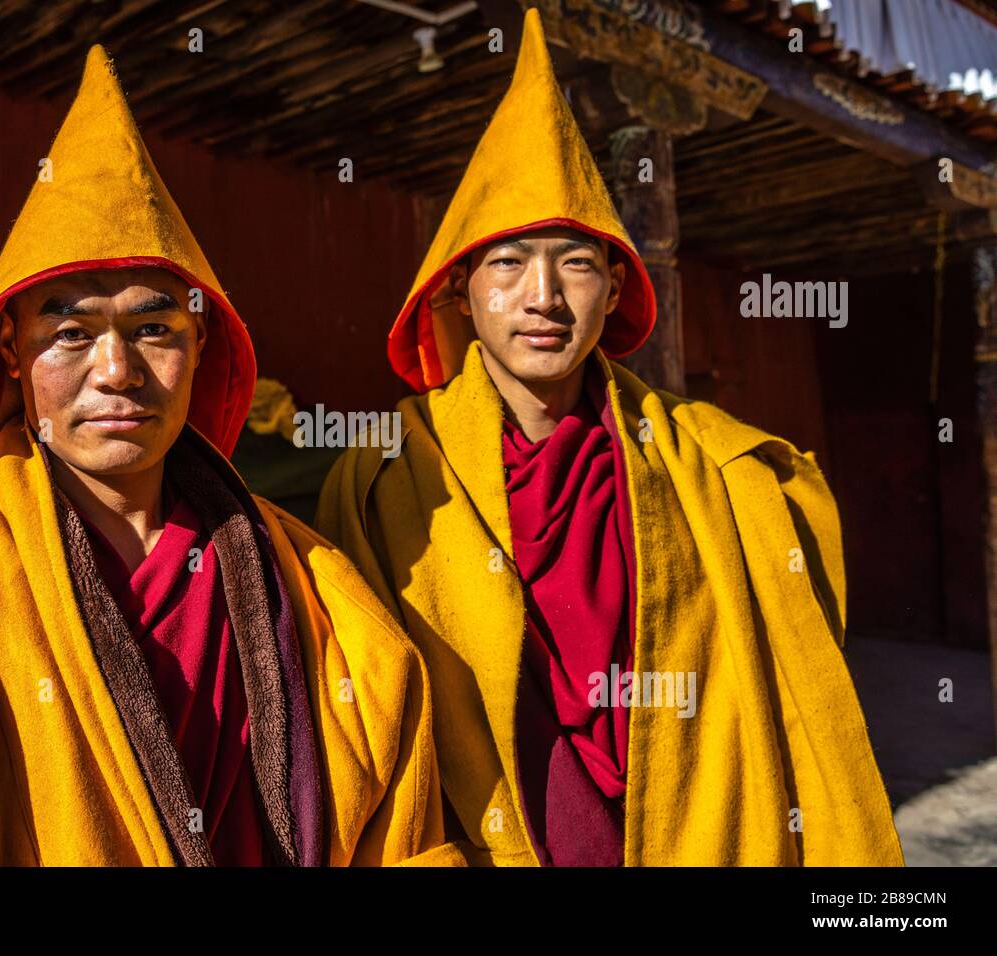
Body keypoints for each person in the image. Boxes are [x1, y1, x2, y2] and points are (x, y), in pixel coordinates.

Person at [0, 45, 460, 867]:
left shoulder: (311, 581)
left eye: (153, 328)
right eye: (69, 333)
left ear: (201, 343)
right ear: (9, 351)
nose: (116, 371)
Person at [316, 8, 903, 867]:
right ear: (462, 291)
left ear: (617, 286)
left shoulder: (716, 462)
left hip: (692, 826)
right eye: (508, 263)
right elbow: (361, 712)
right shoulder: (386, 475)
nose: (543, 296)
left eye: (577, 262)